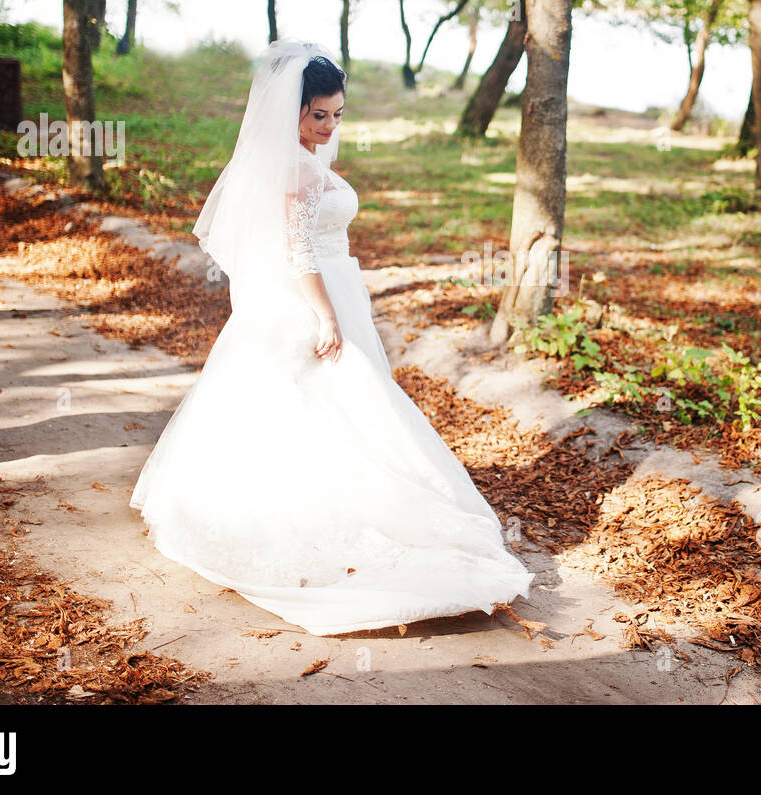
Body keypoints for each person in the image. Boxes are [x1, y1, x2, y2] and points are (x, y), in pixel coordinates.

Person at [128, 39, 534, 635]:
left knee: (320, 407)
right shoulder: (296, 167)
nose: (328, 126)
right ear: (290, 110)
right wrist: (323, 315)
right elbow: (298, 250)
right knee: (338, 405)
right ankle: (318, 522)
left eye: (337, 114)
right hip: (315, 295)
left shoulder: (288, 159)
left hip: (327, 288)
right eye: (318, 114)